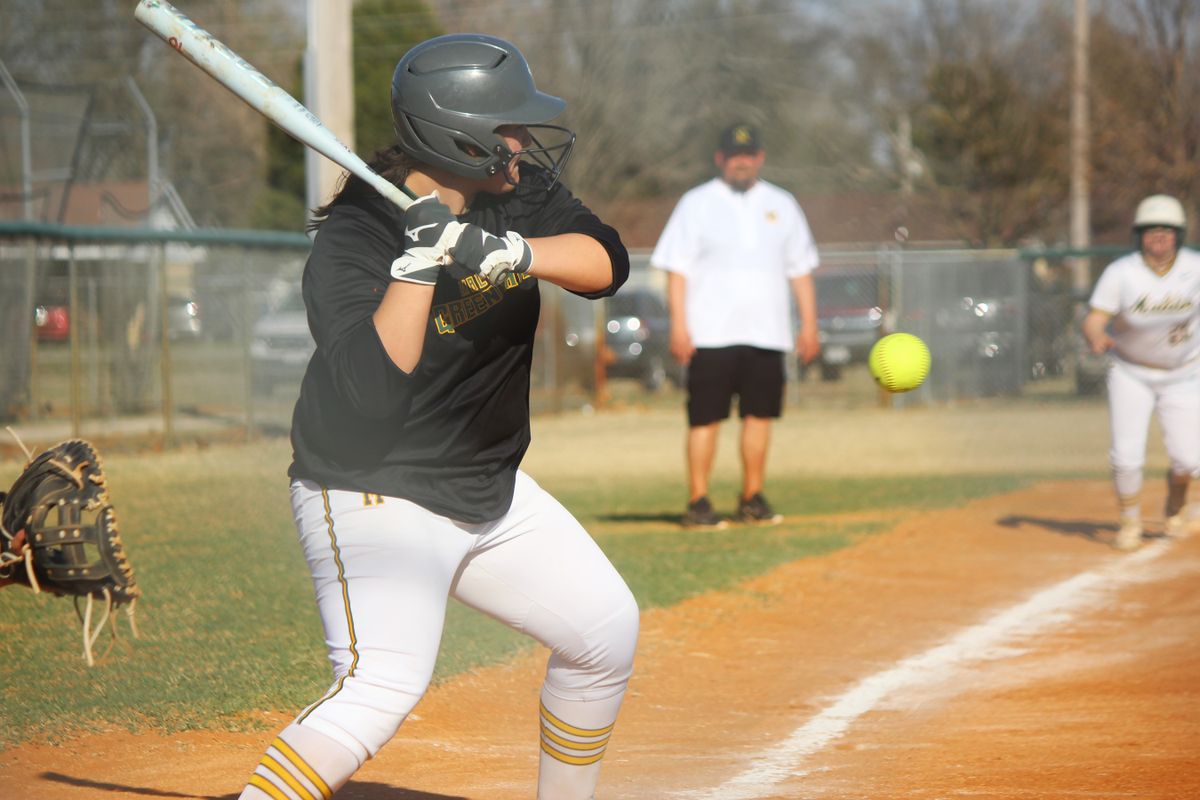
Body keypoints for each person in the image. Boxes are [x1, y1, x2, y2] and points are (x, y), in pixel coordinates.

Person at [237, 34, 639, 800]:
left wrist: (513, 251)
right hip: (372, 488)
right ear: (463, 138)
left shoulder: (513, 192)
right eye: (509, 128)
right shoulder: (354, 239)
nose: (522, 142)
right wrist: (418, 261)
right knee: (380, 685)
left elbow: (605, 262)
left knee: (602, 633)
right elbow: (372, 392)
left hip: (483, 483)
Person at [650, 122, 820, 528]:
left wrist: (809, 326)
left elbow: (800, 270)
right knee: (705, 418)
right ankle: (698, 501)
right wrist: (679, 326)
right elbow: (677, 270)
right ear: (720, 159)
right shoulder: (696, 203)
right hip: (710, 333)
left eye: (749, 155)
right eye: (733, 155)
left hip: (768, 332)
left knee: (759, 416)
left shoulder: (783, 203)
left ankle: (751, 497)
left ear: (759, 158)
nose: (741, 162)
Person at [1081, 193, 1200, 551]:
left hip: (1184, 372)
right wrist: (1096, 336)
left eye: (1167, 230)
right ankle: (1129, 521)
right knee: (1126, 456)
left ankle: (1175, 504)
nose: (1159, 236)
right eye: (1151, 230)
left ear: (1179, 234)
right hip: (1131, 372)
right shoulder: (1122, 272)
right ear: (1139, 235)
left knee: (1189, 460)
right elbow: (1095, 319)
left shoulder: (1195, 267)